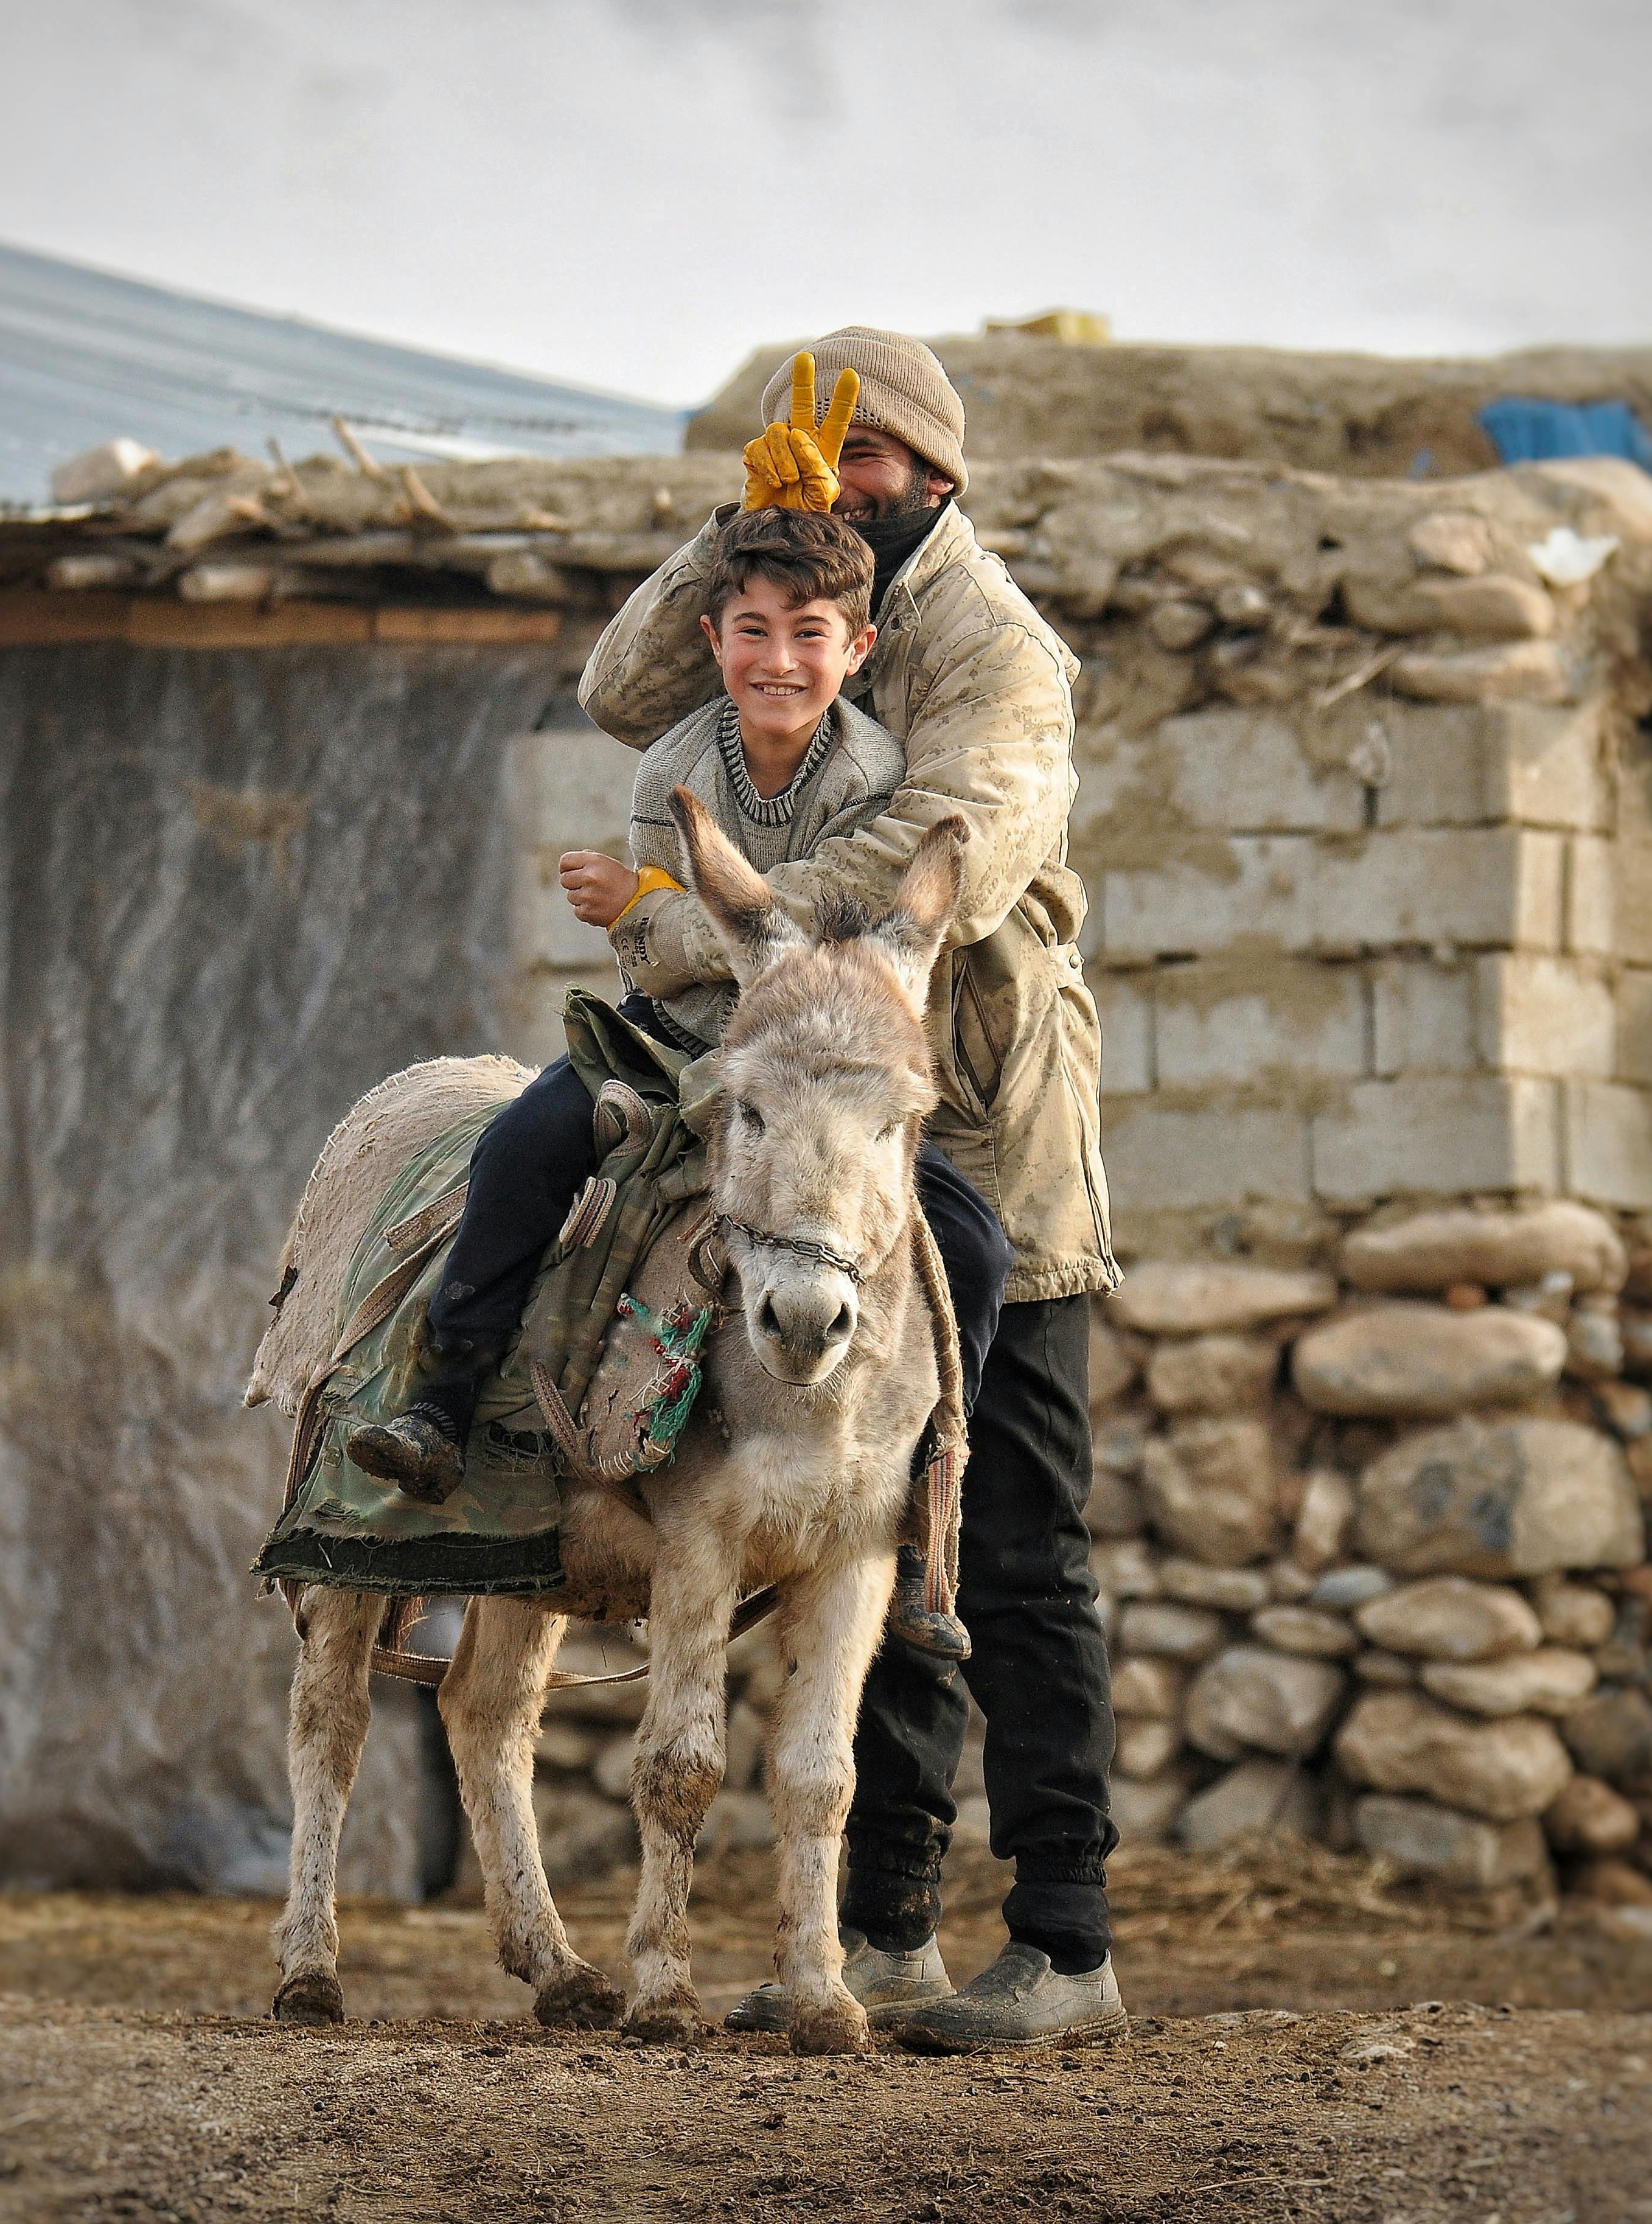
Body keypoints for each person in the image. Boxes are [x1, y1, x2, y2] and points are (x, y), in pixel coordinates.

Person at [579, 327, 1126, 2053]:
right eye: (801, 464)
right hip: (818, 1134)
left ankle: (1065, 1935)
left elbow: (930, 867)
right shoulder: (794, 585)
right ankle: (885, 1934)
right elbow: (618, 691)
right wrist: (732, 533)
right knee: (848, 1539)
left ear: (934, 475)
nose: (834, 491)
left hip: (974, 1125)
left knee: (1009, 1541)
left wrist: (688, 925)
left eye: (857, 467)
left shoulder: (997, 654)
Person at [345, 507, 1012, 1630]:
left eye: (811, 635)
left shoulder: (880, 776)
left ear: (857, 649)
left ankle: (933, 1501)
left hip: (814, 1080)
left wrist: (661, 910)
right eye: (754, 632)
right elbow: (660, 958)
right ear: (714, 642)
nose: (781, 662)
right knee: (524, 1145)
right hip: (679, 1038)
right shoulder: (673, 771)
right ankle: (443, 1399)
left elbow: (839, 940)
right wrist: (657, 917)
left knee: (977, 1249)